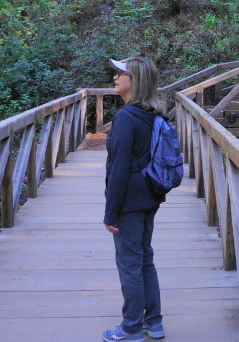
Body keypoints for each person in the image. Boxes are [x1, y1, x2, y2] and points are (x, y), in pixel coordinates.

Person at [102, 56, 166, 342]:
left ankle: (130, 328)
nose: (115, 78)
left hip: (129, 202)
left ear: (134, 81)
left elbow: (119, 170)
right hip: (149, 197)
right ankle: (153, 323)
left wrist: (110, 213)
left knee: (129, 263)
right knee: (145, 261)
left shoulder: (126, 118)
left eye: (120, 74)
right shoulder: (153, 114)